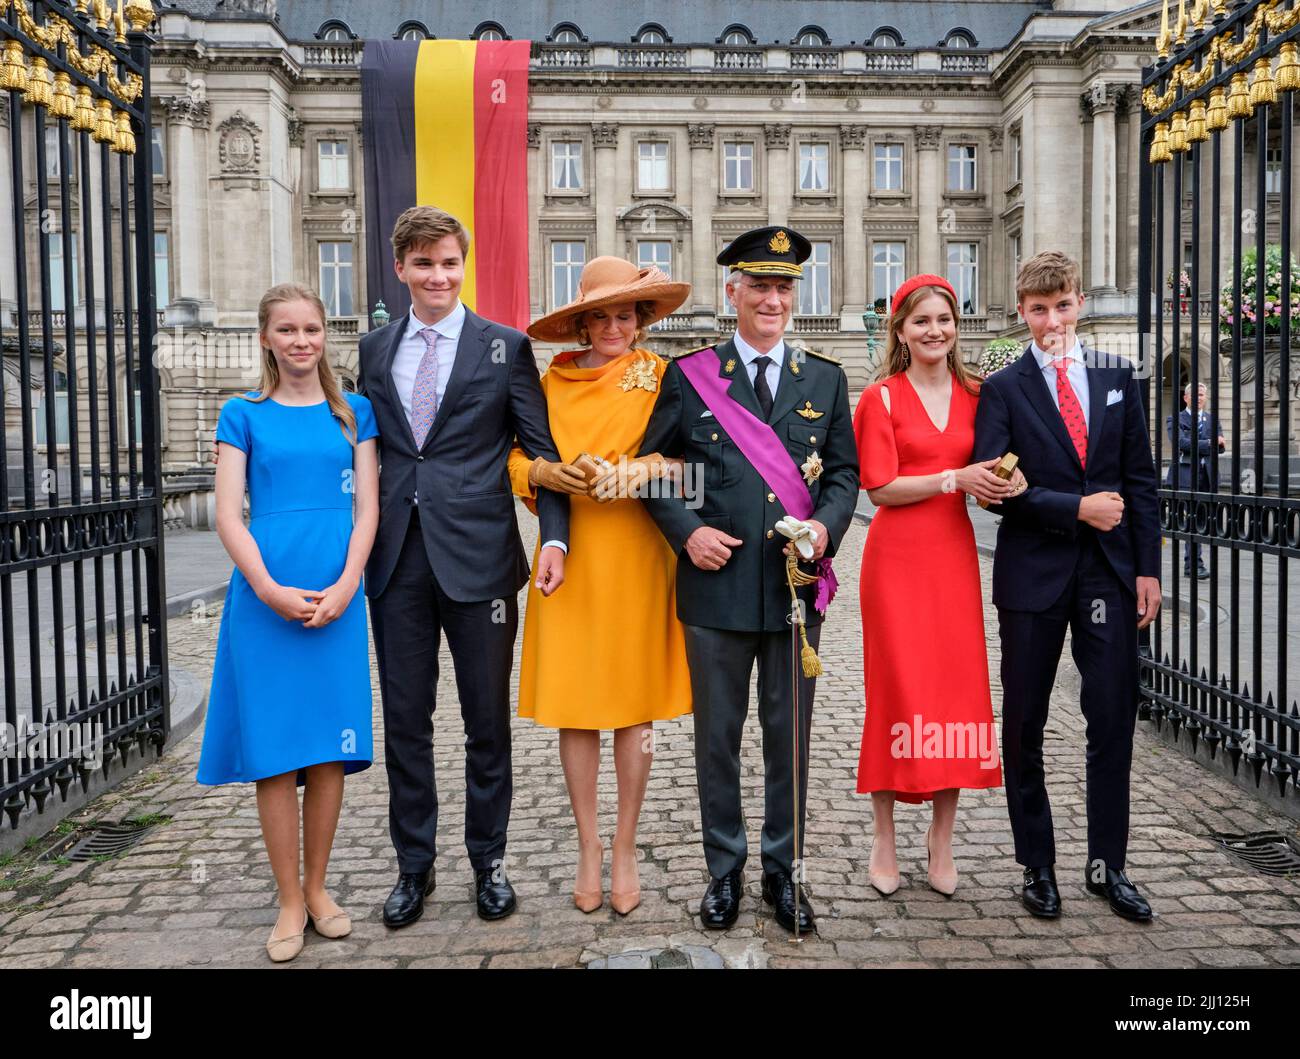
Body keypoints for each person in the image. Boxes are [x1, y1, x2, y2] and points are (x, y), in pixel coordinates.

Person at [638, 227, 859, 934]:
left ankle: (782, 870)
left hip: (794, 590)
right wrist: (687, 530)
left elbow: (845, 473)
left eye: (784, 286)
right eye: (759, 285)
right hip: (716, 588)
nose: (772, 297)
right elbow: (651, 467)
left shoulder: (823, 378)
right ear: (732, 290)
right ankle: (725, 871)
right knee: (717, 739)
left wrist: (824, 528)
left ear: (796, 295)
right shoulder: (691, 373)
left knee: (788, 736)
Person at [356, 206, 571, 927]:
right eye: (424, 264)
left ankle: (490, 861)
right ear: (402, 268)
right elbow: (369, 452)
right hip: (395, 564)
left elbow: (541, 454)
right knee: (405, 724)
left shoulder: (504, 348)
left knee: (486, 721)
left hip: (481, 561)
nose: (438, 275)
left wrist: (555, 538)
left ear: (463, 263)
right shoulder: (372, 349)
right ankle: (413, 867)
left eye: (449, 262)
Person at [973, 251, 1162, 923]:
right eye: (1038, 307)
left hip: (1109, 572)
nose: (1051, 318)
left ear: (1079, 301)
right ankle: (1038, 864)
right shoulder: (1004, 388)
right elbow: (996, 493)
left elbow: (1139, 478)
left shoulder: (1118, 377)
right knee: (1024, 720)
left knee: (1111, 717)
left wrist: (1148, 568)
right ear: (1022, 312)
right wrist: (1072, 507)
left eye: (1062, 303)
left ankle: (1108, 863)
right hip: (1032, 573)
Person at [198, 282, 380, 963]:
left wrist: (349, 582)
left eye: (312, 328)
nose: (301, 340)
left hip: (337, 594)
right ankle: (287, 898)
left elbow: (367, 508)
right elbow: (226, 514)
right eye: (287, 330)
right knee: (276, 752)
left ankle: (319, 885)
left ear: (324, 334)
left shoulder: (353, 412)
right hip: (266, 596)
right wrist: (268, 587)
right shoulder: (241, 413)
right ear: (266, 337)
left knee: (328, 748)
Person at [507, 256, 693, 915]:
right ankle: (589, 842)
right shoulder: (549, 380)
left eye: (625, 314)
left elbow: (687, 462)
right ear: (581, 323)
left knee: (633, 701)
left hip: (640, 549)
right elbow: (517, 457)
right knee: (576, 702)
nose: (613, 326)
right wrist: (546, 477)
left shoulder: (661, 376)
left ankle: (627, 844)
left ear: (640, 320)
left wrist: (635, 471)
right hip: (571, 551)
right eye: (600, 315)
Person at [853, 274, 1018, 898]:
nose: (935, 331)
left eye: (944, 319)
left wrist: (1009, 482)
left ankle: (942, 839)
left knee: (954, 693)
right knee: (897, 692)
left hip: (952, 557)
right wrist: (955, 478)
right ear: (900, 330)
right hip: (896, 559)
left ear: (957, 326)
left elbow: (1000, 466)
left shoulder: (979, 395)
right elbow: (881, 487)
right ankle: (885, 835)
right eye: (921, 321)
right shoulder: (882, 399)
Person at [1166, 381, 1224, 578]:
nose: (1199, 398)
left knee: (1201, 521)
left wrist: (1203, 444)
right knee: (1190, 521)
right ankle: (1193, 564)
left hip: (1206, 476)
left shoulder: (1212, 419)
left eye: (1201, 395)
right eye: (1195, 395)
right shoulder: (1175, 419)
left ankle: (1193, 564)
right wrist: (1209, 443)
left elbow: (1221, 446)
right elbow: (1180, 443)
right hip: (1184, 476)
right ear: (1186, 398)